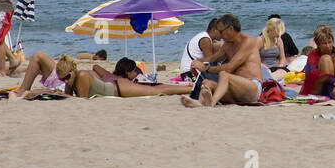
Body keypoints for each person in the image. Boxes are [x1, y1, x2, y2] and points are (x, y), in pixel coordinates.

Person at [13, 54, 197, 100]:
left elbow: (79, 100)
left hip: (119, 88)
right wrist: (45, 91)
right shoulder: (72, 79)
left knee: (156, 90)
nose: (63, 82)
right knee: (156, 90)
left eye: (66, 78)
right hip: (114, 87)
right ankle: (190, 88)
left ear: (73, 71)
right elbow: (68, 95)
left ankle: (191, 88)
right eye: (61, 79)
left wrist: (44, 92)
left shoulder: (83, 76)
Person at [180, 14, 263, 107]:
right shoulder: (227, 44)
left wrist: (206, 68)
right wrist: (197, 62)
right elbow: (212, 58)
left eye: (221, 31)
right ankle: (200, 103)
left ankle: (212, 102)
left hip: (252, 87)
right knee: (206, 83)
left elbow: (230, 67)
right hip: (234, 89)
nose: (219, 35)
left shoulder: (248, 42)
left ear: (230, 29)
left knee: (224, 74)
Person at [297, 24, 335, 100]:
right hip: (321, 88)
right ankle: (334, 93)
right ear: (318, 45)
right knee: (326, 59)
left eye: (330, 42)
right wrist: (334, 81)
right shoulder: (313, 55)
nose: (328, 46)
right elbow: (313, 73)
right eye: (324, 43)